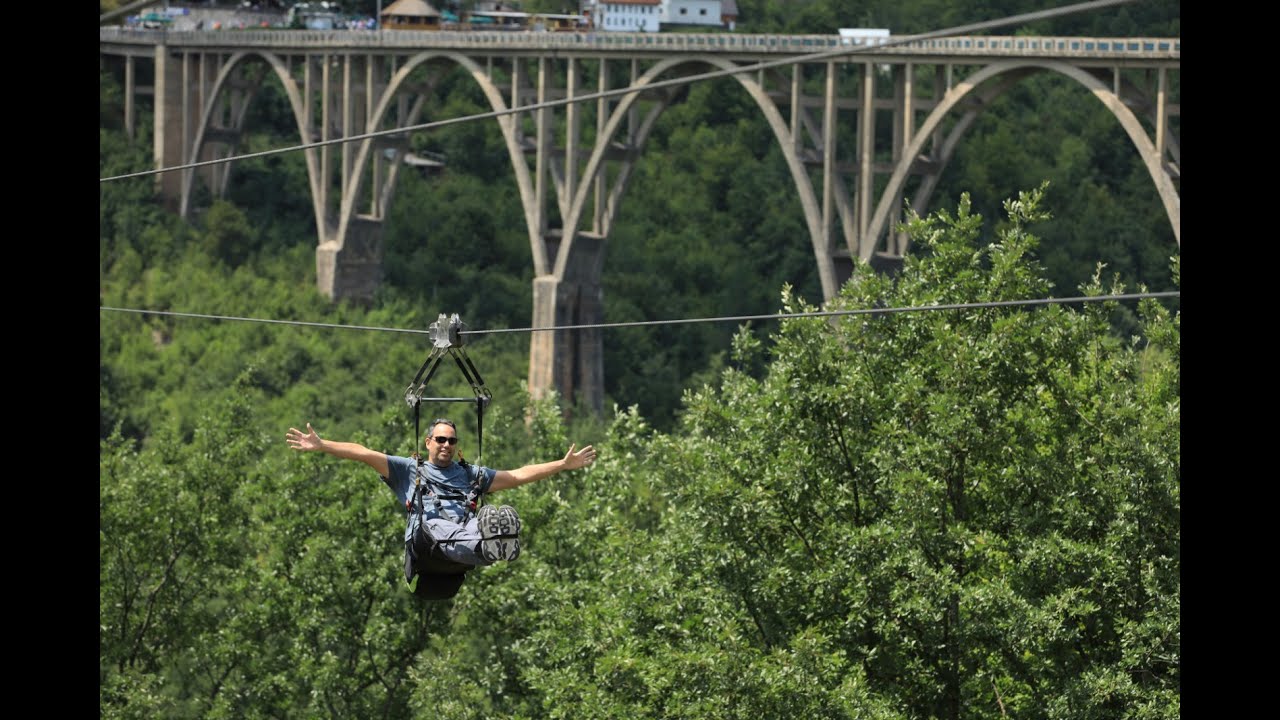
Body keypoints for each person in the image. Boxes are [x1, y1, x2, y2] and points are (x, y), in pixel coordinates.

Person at [285, 418, 597, 568]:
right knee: (437, 524)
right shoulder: (408, 470)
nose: (446, 445)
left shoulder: (470, 474)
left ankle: (495, 541)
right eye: (441, 440)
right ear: (428, 442)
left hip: (463, 536)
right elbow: (363, 452)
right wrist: (323, 445)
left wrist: (562, 464)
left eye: (451, 441)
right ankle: (485, 544)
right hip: (428, 541)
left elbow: (517, 475)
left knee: (478, 520)